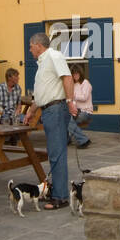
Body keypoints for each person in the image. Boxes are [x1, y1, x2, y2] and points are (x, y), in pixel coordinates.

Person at [26, 31, 76, 209]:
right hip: (48, 110)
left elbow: (67, 78)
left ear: (38, 45)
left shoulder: (54, 56)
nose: (30, 50)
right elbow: (41, 93)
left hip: (55, 110)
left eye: (31, 47)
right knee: (54, 153)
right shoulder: (42, 63)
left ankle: (60, 197)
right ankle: (56, 191)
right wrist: (31, 111)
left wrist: (70, 102)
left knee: (57, 154)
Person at [67, 64, 92, 148]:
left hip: (85, 112)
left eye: (77, 73)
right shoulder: (73, 85)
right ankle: (67, 139)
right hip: (76, 111)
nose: (75, 75)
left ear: (80, 73)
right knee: (64, 119)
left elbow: (84, 97)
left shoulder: (85, 83)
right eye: (73, 74)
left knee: (68, 121)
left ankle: (83, 140)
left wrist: (73, 96)